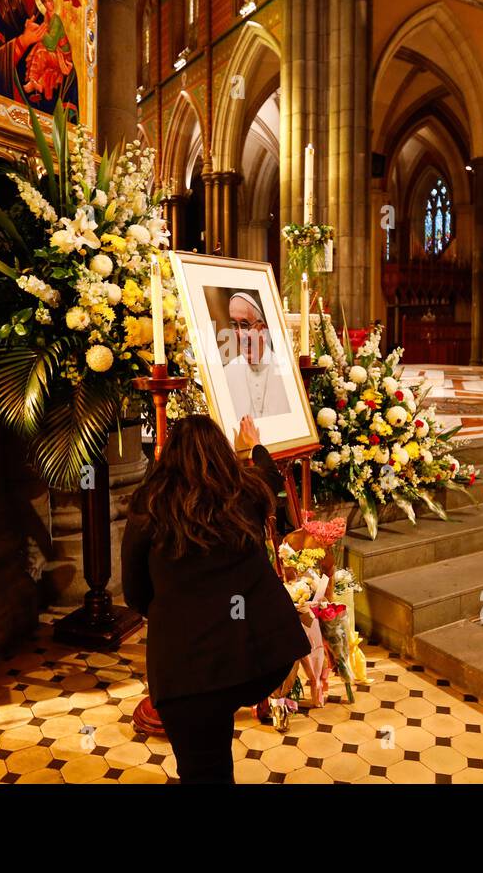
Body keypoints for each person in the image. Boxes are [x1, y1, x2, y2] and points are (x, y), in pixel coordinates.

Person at [121, 414, 309, 784]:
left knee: (204, 771)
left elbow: (134, 593)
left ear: (168, 459)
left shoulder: (150, 508)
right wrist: (254, 445)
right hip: (254, 661)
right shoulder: (246, 496)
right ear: (223, 455)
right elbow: (270, 477)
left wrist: (170, 612)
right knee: (220, 708)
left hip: (187, 669)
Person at [221, 291, 291, 418]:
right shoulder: (227, 374)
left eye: (245, 325)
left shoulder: (287, 372)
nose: (241, 335)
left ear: (262, 329)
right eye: (234, 325)